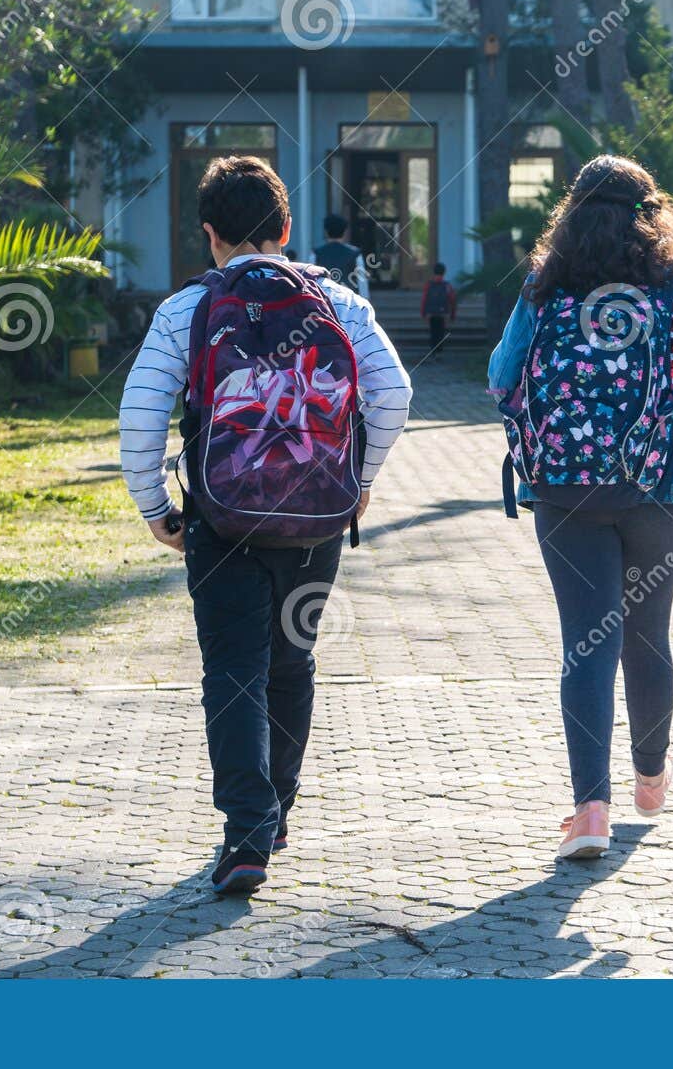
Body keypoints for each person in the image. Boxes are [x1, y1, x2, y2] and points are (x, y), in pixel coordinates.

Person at [120, 156, 412, 894]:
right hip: (315, 517)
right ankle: (277, 809)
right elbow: (395, 393)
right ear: (285, 230)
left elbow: (140, 417)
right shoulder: (338, 301)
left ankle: (246, 833)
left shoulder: (186, 310)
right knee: (292, 661)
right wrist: (360, 481)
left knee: (233, 670)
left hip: (220, 519)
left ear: (210, 236)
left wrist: (157, 507)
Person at [487, 154, 673, 861]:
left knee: (586, 643)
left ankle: (590, 811)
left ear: (572, 213)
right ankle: (650, 773)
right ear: (654, 214)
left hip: (564, 490)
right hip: (657, 488)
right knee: (647, 637)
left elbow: (499, 375)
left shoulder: (546, 286)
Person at [311, 213, 370, 300]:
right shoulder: (355, 254)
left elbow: (310, 281)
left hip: (323, 303)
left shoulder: (316, 253)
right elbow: (362, 284)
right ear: (345, 231)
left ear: (326, 231)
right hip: (348, 302)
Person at [420, 262, 457, 352]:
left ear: (434, 272)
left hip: (431, 313)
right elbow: (452, 300)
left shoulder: (428, 285)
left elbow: (424, 299)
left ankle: (433, 351)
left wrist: (423, 313)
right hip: (443, 313)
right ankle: (439, 350)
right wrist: (452, 314)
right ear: (444, 272)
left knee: (433, 331)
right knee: (440, 332)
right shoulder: (447, 286)